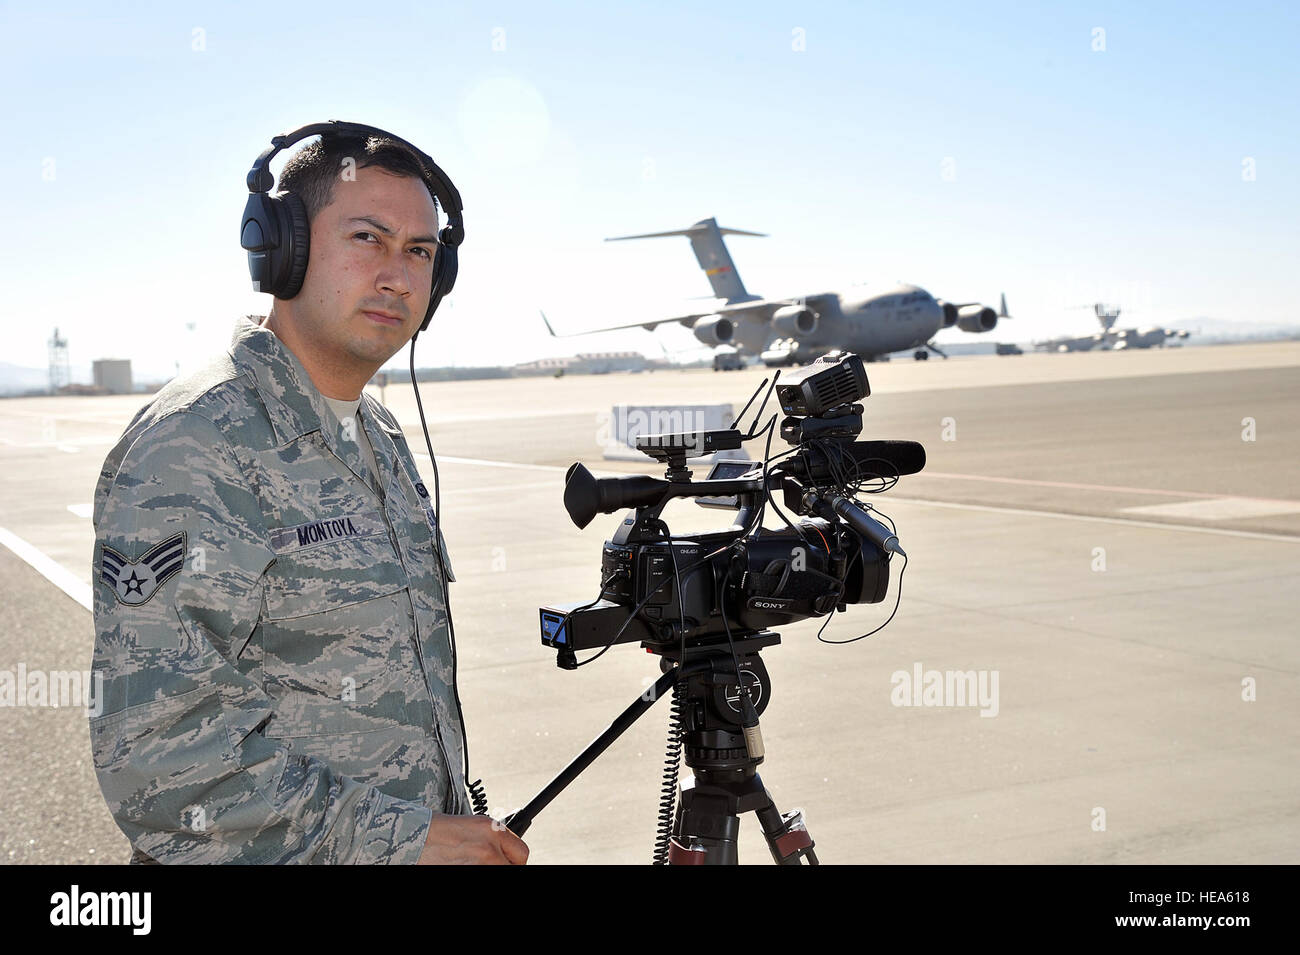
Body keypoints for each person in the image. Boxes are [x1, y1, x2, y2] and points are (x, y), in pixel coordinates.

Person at [88, 127, 528, 865]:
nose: (399, 276)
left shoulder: (378, 433)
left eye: (420, 251)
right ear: (281, 248)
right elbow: (156, 760)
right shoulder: (195, 444)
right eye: (369, 238)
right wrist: (404, 839)